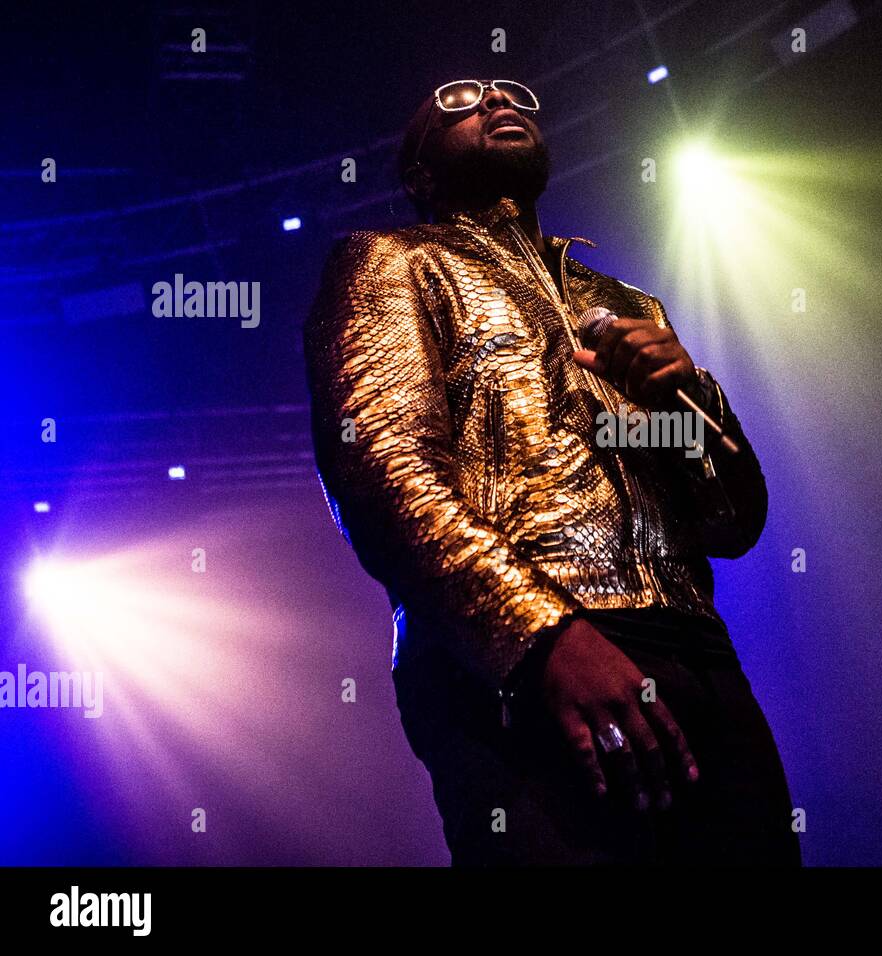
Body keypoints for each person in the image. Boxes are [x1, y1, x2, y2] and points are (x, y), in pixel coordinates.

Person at [303, 78, 799, 865]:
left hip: (698, 655)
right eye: (459, 101)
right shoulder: (390, 263)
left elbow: (734, 521)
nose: (498, 101)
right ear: (420, 172)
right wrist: (540, 637)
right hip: (513, 663)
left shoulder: (627, 301)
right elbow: (382, 472)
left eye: (512, 94)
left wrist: (693, 402)